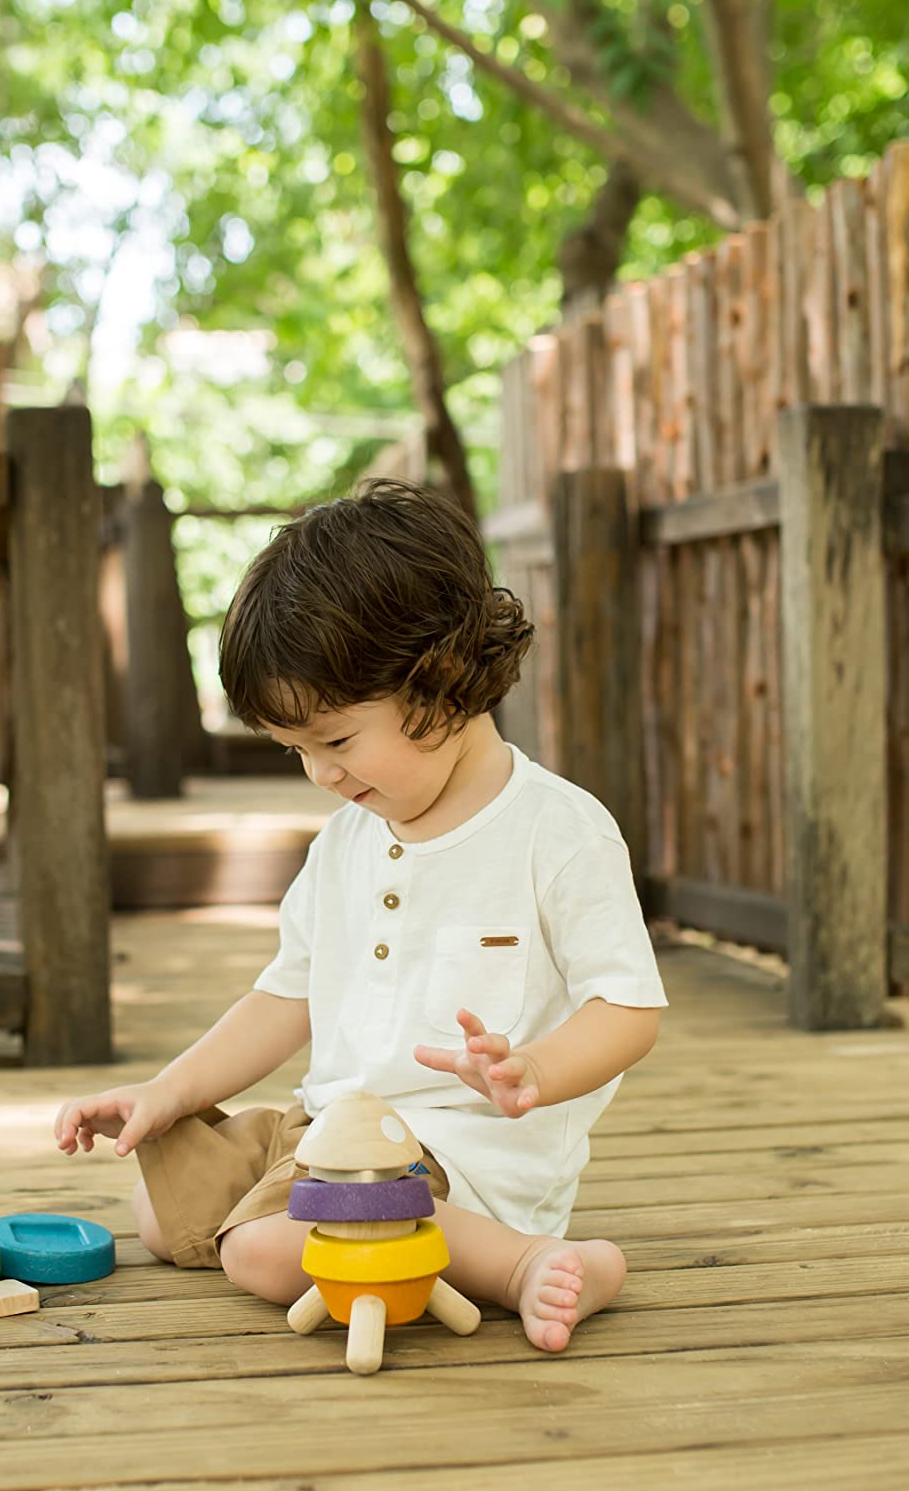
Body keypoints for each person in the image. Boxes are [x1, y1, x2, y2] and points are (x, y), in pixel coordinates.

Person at [54, 480, 666, 1353]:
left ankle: (525, 1260)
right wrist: (168, 1092)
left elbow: (627, 1007)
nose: (321, 776)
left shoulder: (555, 830)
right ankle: (335, 1217)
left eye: (336, 742)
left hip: (462, 1153)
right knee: (161, 1208)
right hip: (330, 1128)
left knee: (264, 1252)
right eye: (296, 752)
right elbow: (284, 997)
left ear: (443, 677)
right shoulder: (346, 841)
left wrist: (538, 1066)